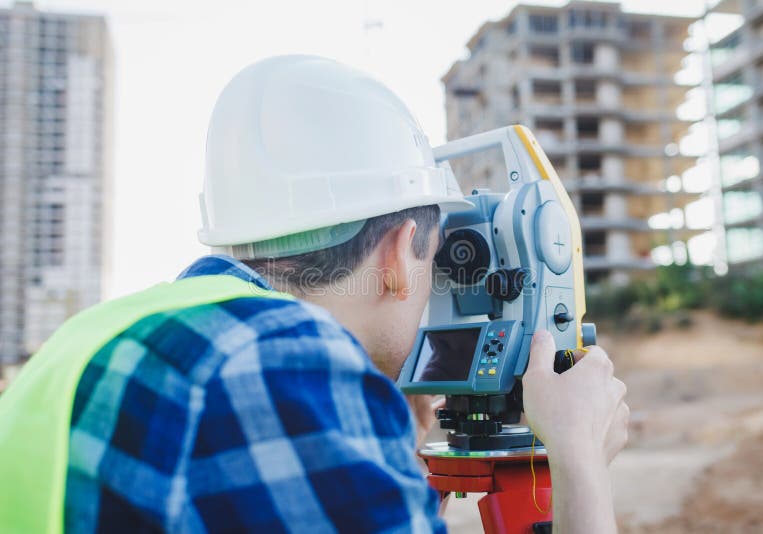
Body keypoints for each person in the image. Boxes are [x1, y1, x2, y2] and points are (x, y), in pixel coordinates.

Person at [0, 55, 628, 533]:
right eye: (433, 264)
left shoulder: (100, 335)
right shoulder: (283, 366)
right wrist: (578, 458)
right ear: (396, 256)